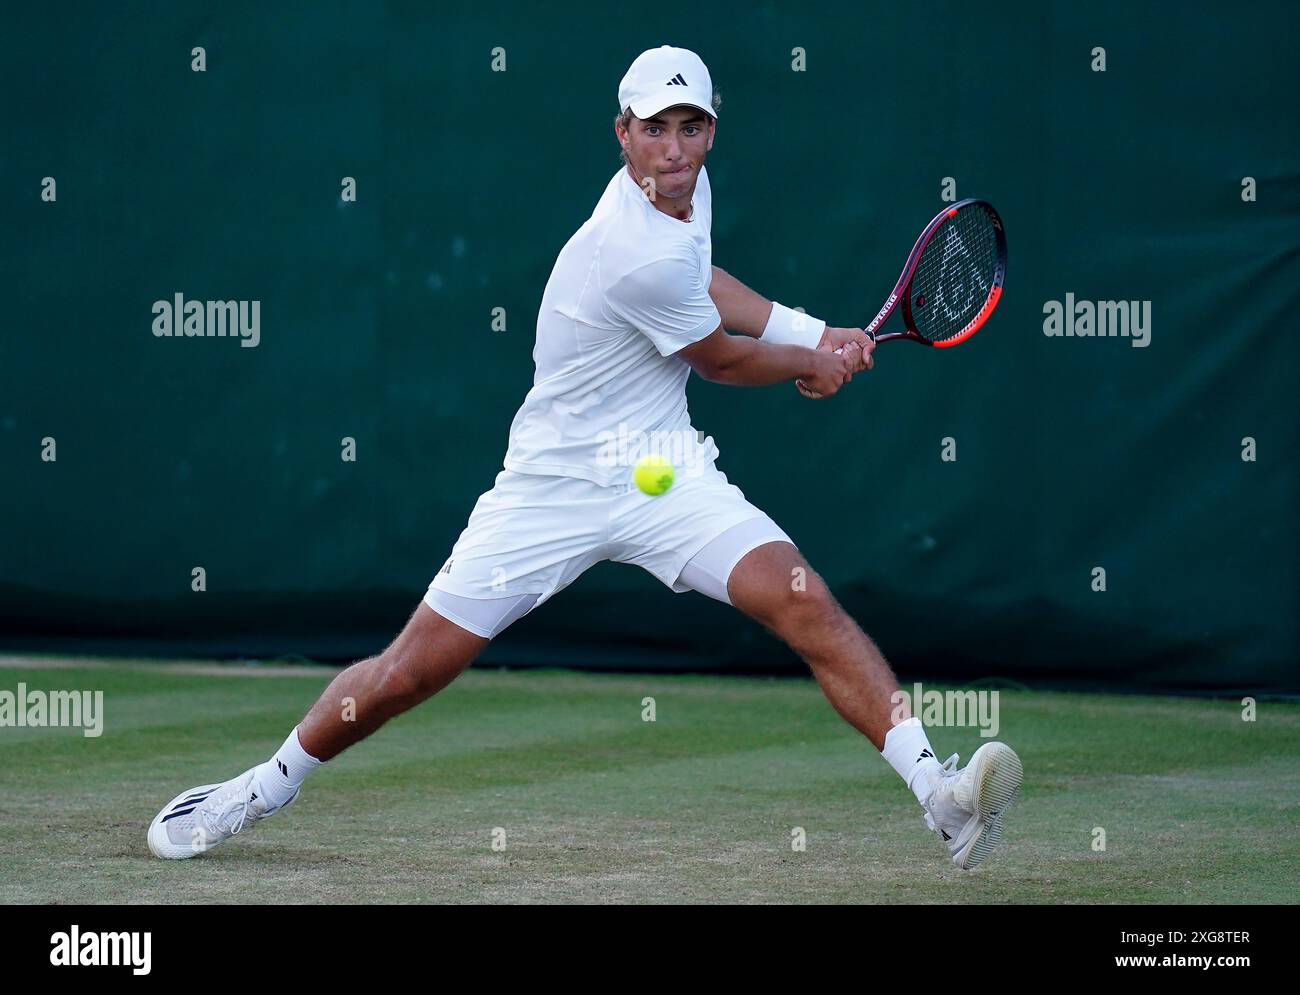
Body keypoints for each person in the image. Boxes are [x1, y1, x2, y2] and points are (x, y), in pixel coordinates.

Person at [148, 45, 1022, 871]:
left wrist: (812, 335)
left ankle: (939, 794)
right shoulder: (627, 247)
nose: (672, 149)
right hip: (555, 482)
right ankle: (260, 789)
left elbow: (705, 275)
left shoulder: (687, 196)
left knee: (807, 606)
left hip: (662, 470)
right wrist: (810, 362)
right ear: (623, 133)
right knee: (406, 674)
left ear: (711, 130)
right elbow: (715, 356)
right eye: (653, 129)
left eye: (689, 127)